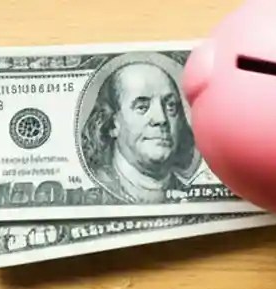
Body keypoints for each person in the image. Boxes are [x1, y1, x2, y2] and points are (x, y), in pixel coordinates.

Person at [80, 59, 197, 203]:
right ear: (112, 124)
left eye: (171, 106)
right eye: (142, 107)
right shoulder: (97, 189)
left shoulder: (192, 193)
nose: (161, 119)